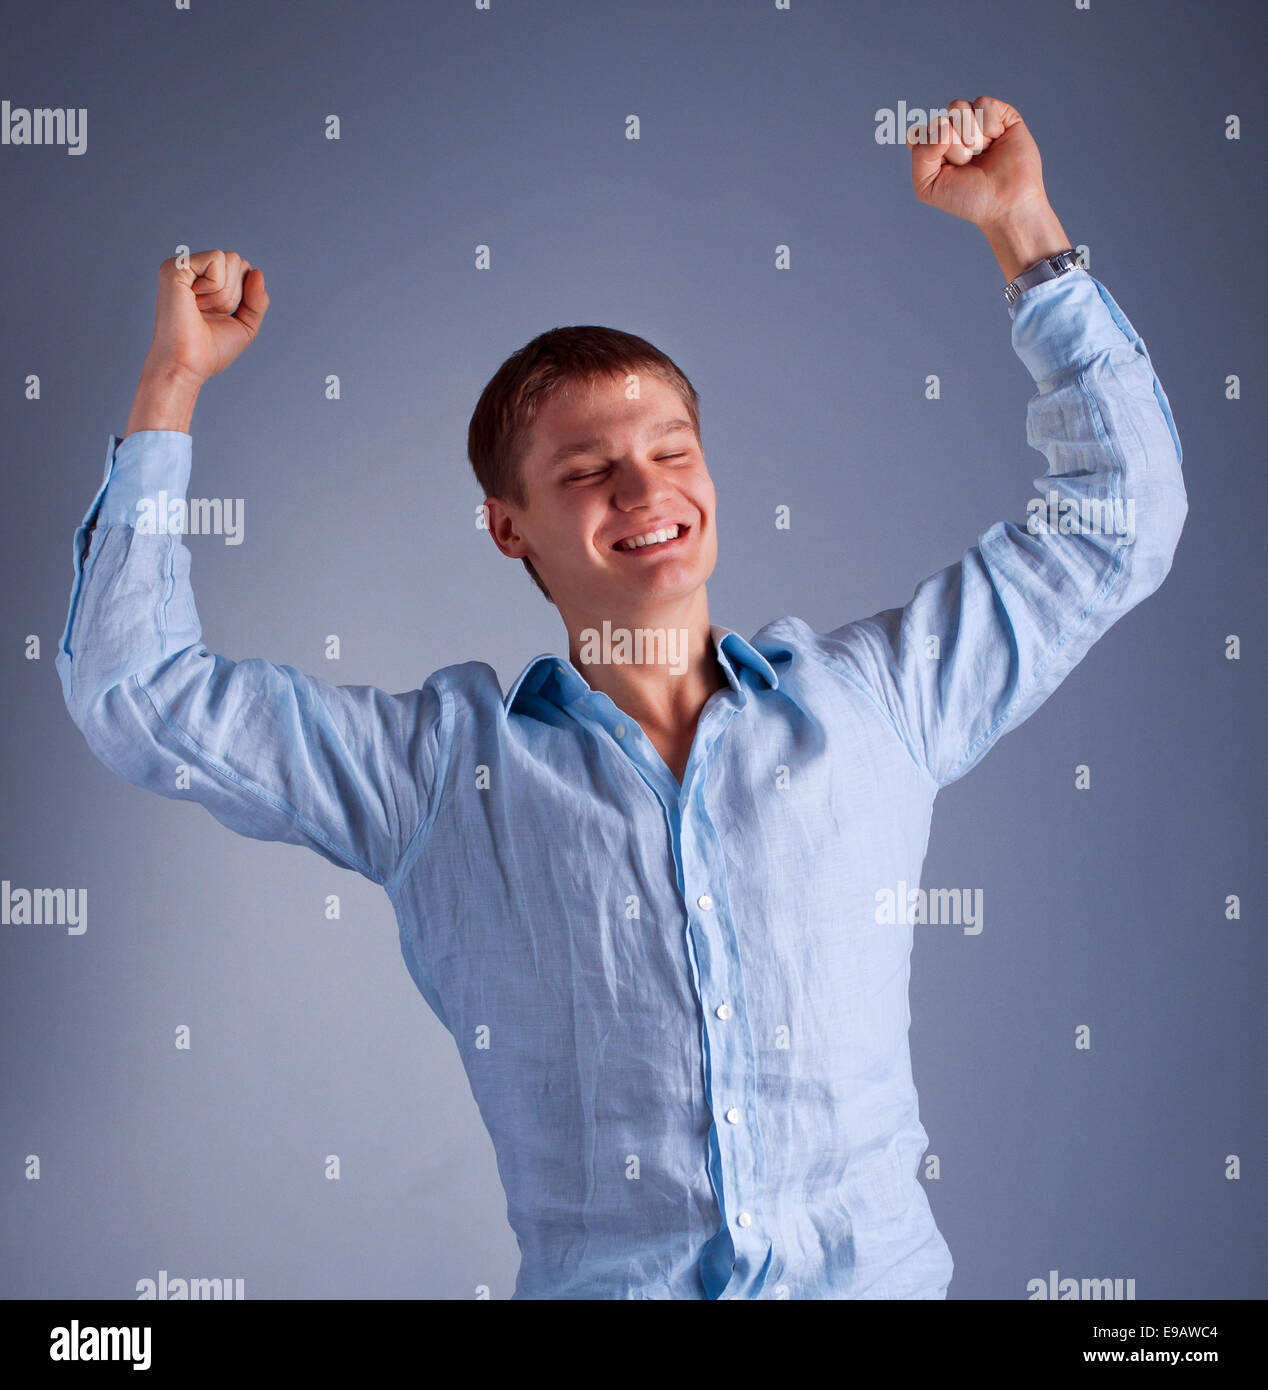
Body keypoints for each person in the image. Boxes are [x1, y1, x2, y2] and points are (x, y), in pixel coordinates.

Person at [56, 95, 1187, 1299]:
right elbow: (135, 691)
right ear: (508, 528)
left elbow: (1120, 519)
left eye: (672, 451)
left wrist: (1023, 226)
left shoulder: (876, 702)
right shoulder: (440, 775)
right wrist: (172, 380)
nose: (644, 486)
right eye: (588, 469)